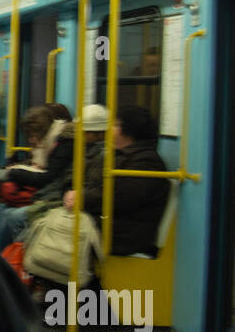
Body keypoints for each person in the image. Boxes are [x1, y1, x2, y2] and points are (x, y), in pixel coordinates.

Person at [0, 104, 104, 257]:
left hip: (57, 196)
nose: (30, 140)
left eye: (85, 131)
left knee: (14, 216)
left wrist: (16, 173)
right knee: (1, 208)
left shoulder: (68, 145)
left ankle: (13, 261)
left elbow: (51, 177)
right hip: (59, 192)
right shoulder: (55, 145)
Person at [63, 104, 168, 256]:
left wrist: (81, 197)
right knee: (49, 224)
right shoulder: (121, 155)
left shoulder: (146, 161)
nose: (110, 130)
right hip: (113, 223)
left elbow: (117, 196)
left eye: (116, 125)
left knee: (55, 231)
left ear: (131, 131)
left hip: (126, 234)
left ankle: (70, 280)